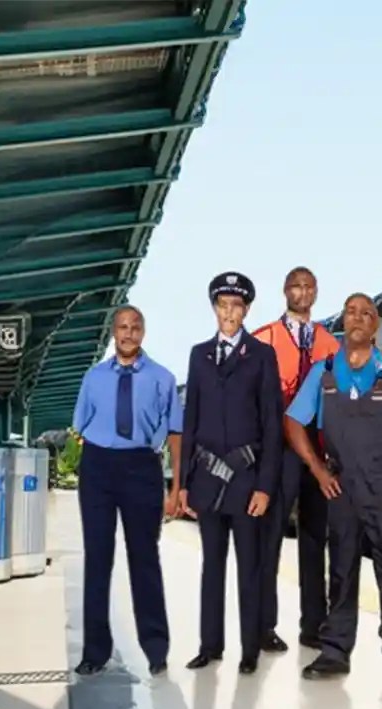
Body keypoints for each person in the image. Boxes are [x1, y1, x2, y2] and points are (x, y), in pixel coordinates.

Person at [284, 292, 382, 680]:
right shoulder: (324, 372)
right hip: (342, 486)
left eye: (367, 314)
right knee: (342, 571)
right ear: (344, 322)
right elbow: (293, 421)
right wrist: (318, 470)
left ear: (375, 327)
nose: (358, 318)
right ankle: (335, 652)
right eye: (351, 312)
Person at [179, 272, 283, 675]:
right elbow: (190, 422)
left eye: (236, 306)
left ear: (246, 310)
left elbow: (272, 425)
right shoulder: (198, 355)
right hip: (206, 482)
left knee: (249, 568)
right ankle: (210, 646)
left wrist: (265, 486)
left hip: (245, 482)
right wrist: (183, 483)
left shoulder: (261, 356)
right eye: (223, 305)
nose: (229, 313)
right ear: (214, 309)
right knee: (211, 567)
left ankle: (250, 650)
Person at [71, 305, 183, 677]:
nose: (129, 333)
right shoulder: (93, 378)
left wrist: (176, 484)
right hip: (98, 467)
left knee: (144, 558)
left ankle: (155, 648)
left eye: (135, 327)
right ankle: (94, 652)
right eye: (122, 327)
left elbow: (176, 433)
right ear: (113, 332)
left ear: (143, 332)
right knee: (98, 559)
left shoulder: (163, 379)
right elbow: (79, 428)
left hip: (142, 468)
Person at [250, 267, 340, 652]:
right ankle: (262, 626)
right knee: (268, 540)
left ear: (316, 293)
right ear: (285, 291)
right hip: (278, 452)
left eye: (308, 287)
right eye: (295, 286)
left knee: (315, 540)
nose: (302, 292)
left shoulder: (330, 344)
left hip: (317, 453)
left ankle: (313, 626)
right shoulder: (262, 340)